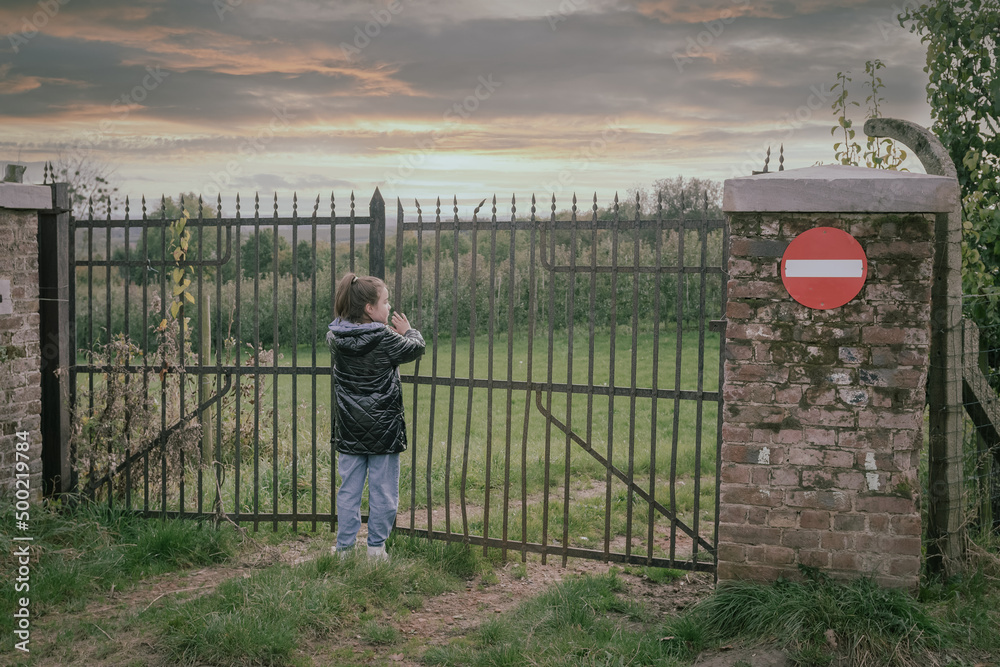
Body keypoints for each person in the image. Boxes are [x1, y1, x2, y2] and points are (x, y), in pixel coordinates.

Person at [327, 272, 425, 560]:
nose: (388, 306)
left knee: (348, 491)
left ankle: (344, 549)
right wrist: (409, 331)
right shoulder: (384, 337)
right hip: (383, 429)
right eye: (385, 301)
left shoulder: (336, 337)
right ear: (369, 309)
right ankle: (375, 550)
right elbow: (415, 349)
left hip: (349, 428)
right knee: (383, 493)